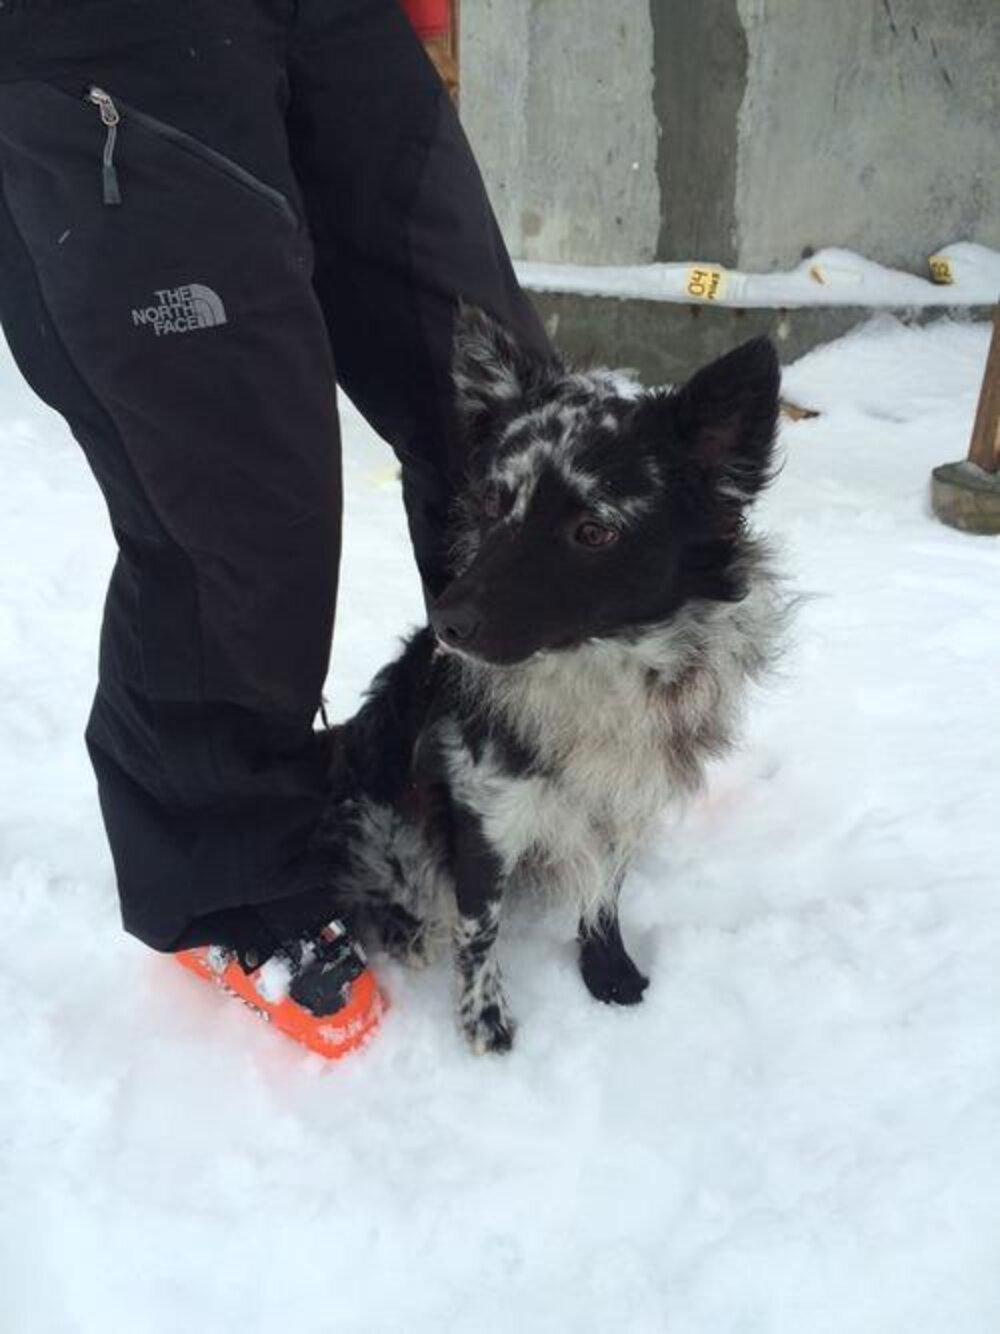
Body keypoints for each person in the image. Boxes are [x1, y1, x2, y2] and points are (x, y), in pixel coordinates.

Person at [0, 0, 548, 1025]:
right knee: (231, 489)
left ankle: (512, 752)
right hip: (99, 37)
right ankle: (226, 878)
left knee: (493, 402)